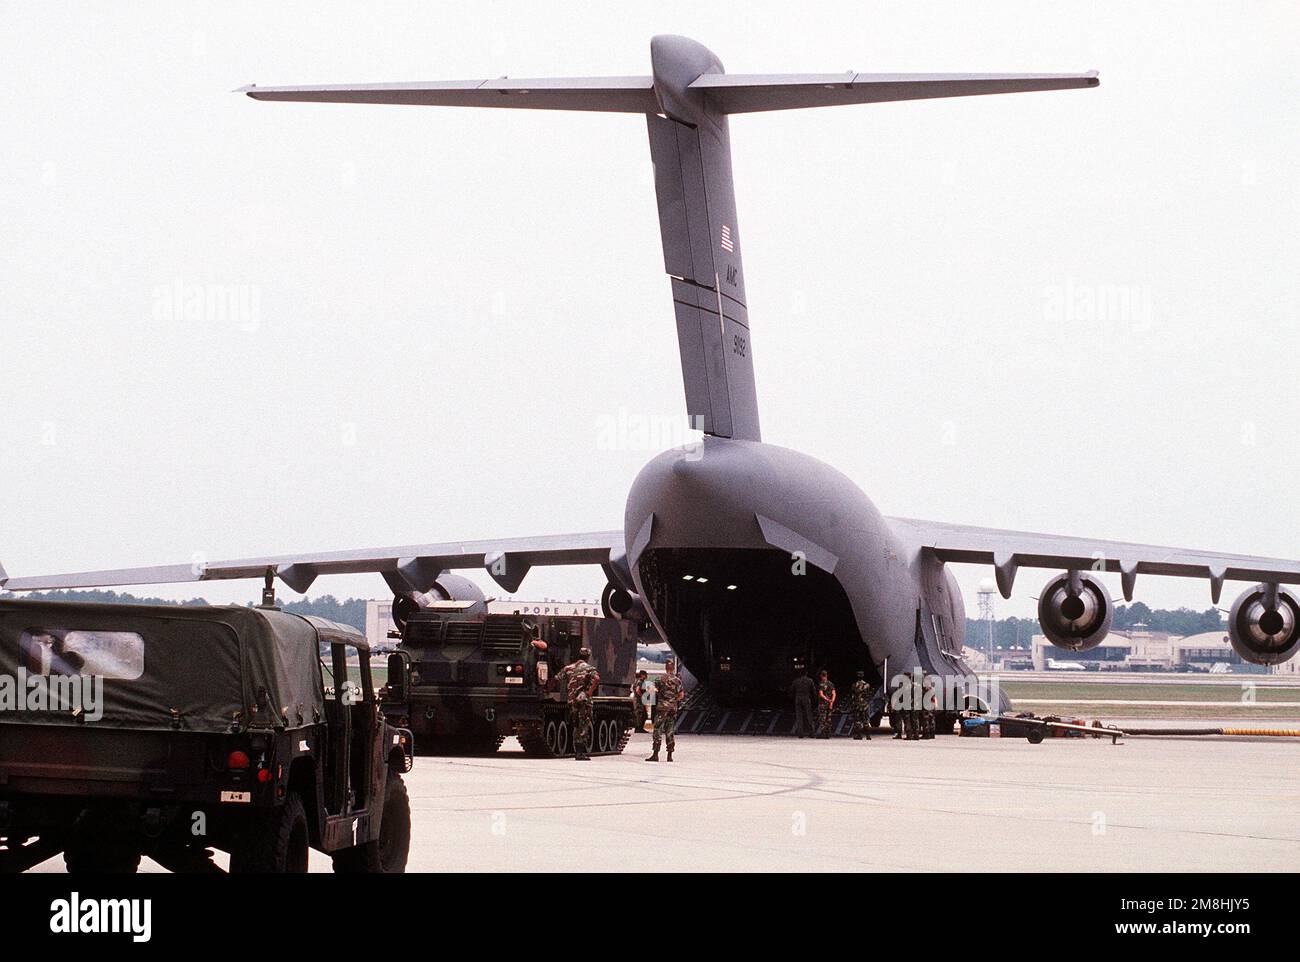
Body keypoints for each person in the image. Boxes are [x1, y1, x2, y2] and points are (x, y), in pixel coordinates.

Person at [562, 646, 600, 760]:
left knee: (576, 724)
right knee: (583, 725)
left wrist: (548, 689)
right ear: (588, 657)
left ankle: (576, 750)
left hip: (572, 700)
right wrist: (589, 692)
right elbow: (597, 679)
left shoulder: (568, 668)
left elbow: (557, 678)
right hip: (583, 701)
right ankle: (580, 753)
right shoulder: (589, 668)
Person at [646, 658, 684, 762]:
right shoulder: (678, 680)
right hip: (672, 707)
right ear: (673, 668)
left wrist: (660, 694)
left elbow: (650, 689)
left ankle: (655, 754)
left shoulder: (660, 679)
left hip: (662, 707)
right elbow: (681, 695)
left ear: (666, 668)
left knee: (658, 729)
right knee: (670, 730)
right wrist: (673, 700)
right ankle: (670, 755)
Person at [789, 668, 817, 738]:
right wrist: (814, 699)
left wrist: (794, 697)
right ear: (806, 673)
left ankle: (800, 734)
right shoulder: (810, 680)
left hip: (798, 699)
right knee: (809, 716)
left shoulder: (796, 681)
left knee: (799, 716)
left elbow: (791, 690)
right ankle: (812, 733)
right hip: (806, 698)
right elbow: (813, 691)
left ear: (800, 674)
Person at [849, 671, 872, 741]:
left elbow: (852, 696)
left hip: (857, 705)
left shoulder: (854, 685)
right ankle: (868, 735)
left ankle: (859, 735)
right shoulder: (867, 685)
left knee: (858, 720)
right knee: (866, 720)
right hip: (865, 704)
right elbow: (868, 695)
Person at [815, 670, 836, 738]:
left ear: (821, 676)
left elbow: (821, 694)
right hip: (829, 704)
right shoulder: (831, 684)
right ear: (827, 675)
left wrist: (828, 700)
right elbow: (834, 694)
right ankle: (828, 733)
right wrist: (831, 702)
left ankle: (823, 733)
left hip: (823, 704)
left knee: (822, 718)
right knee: (828, 718)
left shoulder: (821, 684)